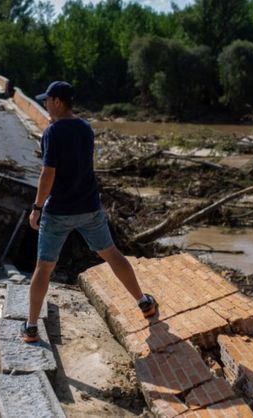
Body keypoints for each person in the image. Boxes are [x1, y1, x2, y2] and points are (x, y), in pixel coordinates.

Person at [21, 81, 158, 343]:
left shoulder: (53, 132)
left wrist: (37, 207)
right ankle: (144, 303)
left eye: (48, 101)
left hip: (59, 211)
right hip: (89, 208)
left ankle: (30, 328)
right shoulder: (85, 128)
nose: (46, 105)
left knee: (44, 267)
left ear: (58, 102)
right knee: (112, 254)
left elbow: (48, 173)